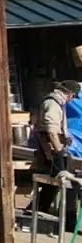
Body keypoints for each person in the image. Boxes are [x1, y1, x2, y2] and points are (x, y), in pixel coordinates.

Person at [30, 80, 81, 213]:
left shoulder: (57, 103)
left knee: (52, 183)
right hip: (51, 149)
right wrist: (59, 152)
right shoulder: (53, 104)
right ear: (70, 94)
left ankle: (37, 209)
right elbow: (51, 132)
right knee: (68, 184)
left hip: (52, 148)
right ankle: (69, 219)